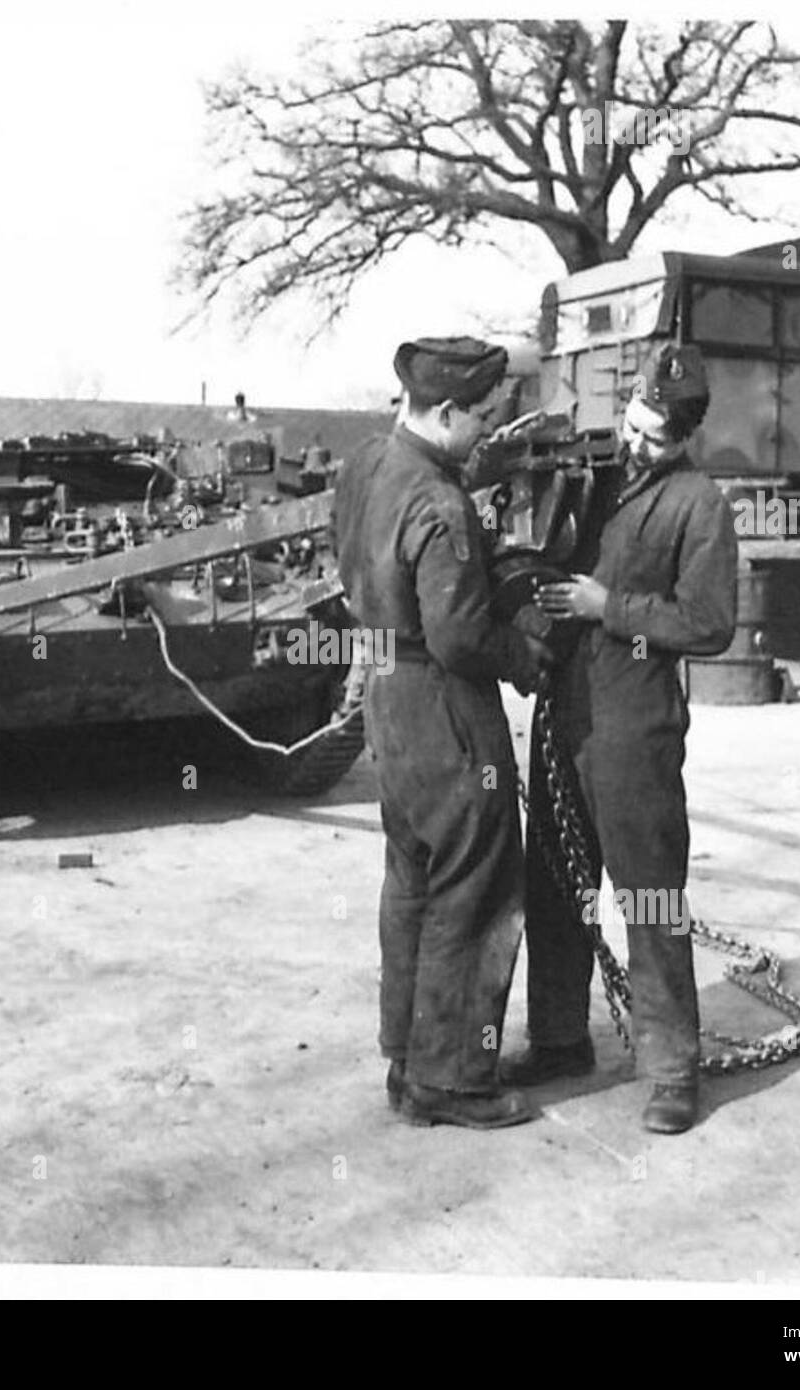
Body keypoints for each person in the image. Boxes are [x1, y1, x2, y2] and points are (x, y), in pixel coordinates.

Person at [503, 343, 737, 1134]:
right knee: (556, 886)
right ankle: (562, 1038)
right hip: (563, 712)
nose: (639, 447)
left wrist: (613, 608)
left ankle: (673, 1068)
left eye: (657, 439)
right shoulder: (592, 474)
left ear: (686, 438)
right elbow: (542, 563)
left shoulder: (700, 504)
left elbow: (709, 623)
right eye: (635, 427)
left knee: (647, 893)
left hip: (635, 727)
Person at [333, 336, 552, 1129]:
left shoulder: (366, 466)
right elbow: (459, 636)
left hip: (387, 699)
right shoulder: (439, 503)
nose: (488, 431)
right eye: (482, 418)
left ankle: (407, 1058)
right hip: (444, 702)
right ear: (448, 410)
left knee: (413, 879)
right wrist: (522, 649)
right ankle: (454, 1078)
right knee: (479, 885)